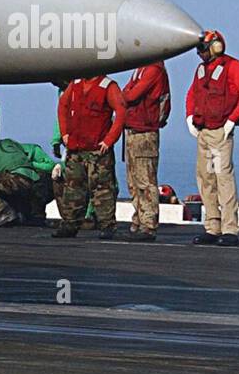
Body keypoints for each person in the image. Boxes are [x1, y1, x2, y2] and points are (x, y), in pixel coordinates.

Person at [186, 30, 239, 246]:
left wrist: (232, 120)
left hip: (220, 131)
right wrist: (189, 116)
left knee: (223, 178)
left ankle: (229, 229)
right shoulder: (201, 70)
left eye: (203, 49)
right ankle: (212, 226)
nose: (201, 54)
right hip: (204, 131)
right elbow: (192, 93)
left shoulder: (232, 67)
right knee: (205, 179)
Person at [55, 75, 126, 239]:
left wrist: (109, 140)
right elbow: (63, 105)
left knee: (102, 189)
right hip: (76, 149)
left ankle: (107, 226)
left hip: (97, 151)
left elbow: (121, 111)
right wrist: (64, 133)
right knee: (72, 189)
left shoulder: (108, 86)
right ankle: (69, 225)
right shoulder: (76, 84)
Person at [121, 60, 171, 242]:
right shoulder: (141, 68)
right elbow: (128, 92)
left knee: (145, 180)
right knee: (133, 181)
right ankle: (139, 220)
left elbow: (131, 94)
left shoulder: (152, 70)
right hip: (134, 129)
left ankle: (148, 224)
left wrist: (123, 96)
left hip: (144, 131)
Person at [0, 138, 59, 227]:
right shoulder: (14, 148)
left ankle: (2, 212)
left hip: (16, 181)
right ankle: (27, 215)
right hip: (30, 182)